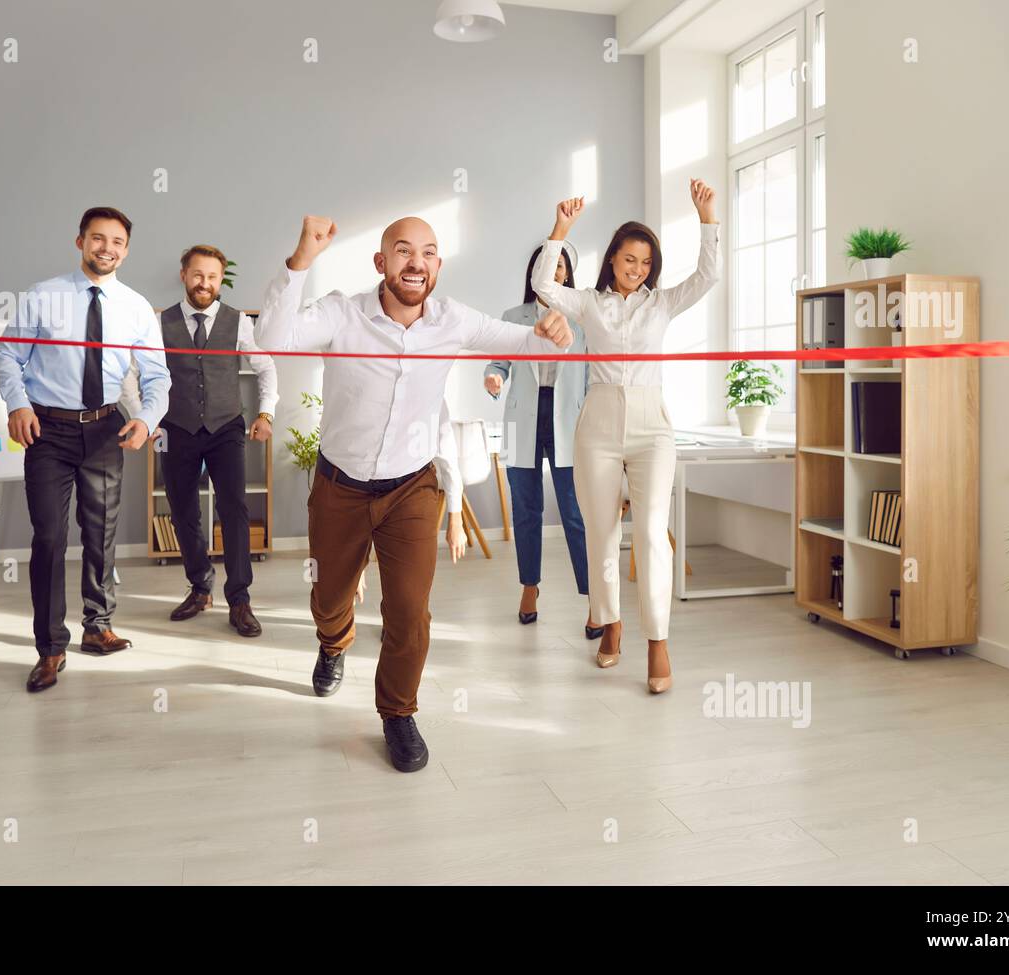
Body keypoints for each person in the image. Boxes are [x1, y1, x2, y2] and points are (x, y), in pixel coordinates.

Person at [255, 214, 571, 772]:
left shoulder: (453, 320)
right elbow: (272, 339)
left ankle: (397, 712)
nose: (415, 262)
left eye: (427, 253)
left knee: (409, 609)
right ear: (381, 263)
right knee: (328, 599)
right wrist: (302, 257)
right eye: (403, 252)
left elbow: (528, 341)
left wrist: (554, 333)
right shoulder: (342, 312)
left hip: (411, 487)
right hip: (340, 485)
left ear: (438, 268)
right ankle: (333, 643)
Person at [532, 179, 720, 694]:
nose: (637, 269)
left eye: (645, 262)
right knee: (602, 532)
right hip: (597, 421)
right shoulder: (591, 304)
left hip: (651, 425)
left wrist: (707, 219)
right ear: (612, 259)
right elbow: (544, 288)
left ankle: (657, 642)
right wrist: (560, 231)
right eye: (628, 260)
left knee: (654, 531)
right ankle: (609, 624)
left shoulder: (662, 304)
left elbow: (709, 275)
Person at [0, 206, 170, 693]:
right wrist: (17, 404)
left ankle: (98, 626)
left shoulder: (136, 307)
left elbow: (156, 375)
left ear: (126, 250)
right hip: (47, 430)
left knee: (101, 532)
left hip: (105, 429)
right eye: (98, 239)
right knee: (49, 537)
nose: (107, 248)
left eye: (116, 241)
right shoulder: (44, 296)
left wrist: (145, 418)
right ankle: (50, 648)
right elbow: (8, 354)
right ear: (80, 242)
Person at [154, 245, 278, 637]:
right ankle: (200, 586)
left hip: (226, 427)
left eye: (212, 277)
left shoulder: (238, 322)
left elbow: (266, 366)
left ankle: (239, 599)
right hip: (176, 428)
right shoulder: (161, 323)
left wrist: (266, 412)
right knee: (183, 510)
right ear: (184, 275)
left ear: (219, 279)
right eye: (197, 275)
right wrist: (147, 419)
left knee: (234, 509)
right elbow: (143, 372)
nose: (205, 284)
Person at [483, 244, 599, 638]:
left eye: (560, 265)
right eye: (545, 264)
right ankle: (529, 588)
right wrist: (495, 378)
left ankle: (594, 599)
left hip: (570, 419)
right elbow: (498, 361)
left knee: (576, 512)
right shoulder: (513, 318)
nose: (553, 270)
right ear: (535, 272)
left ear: (566, 274)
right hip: (521, 417)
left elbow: (591, 375)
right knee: (526, 509)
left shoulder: (584, 320)